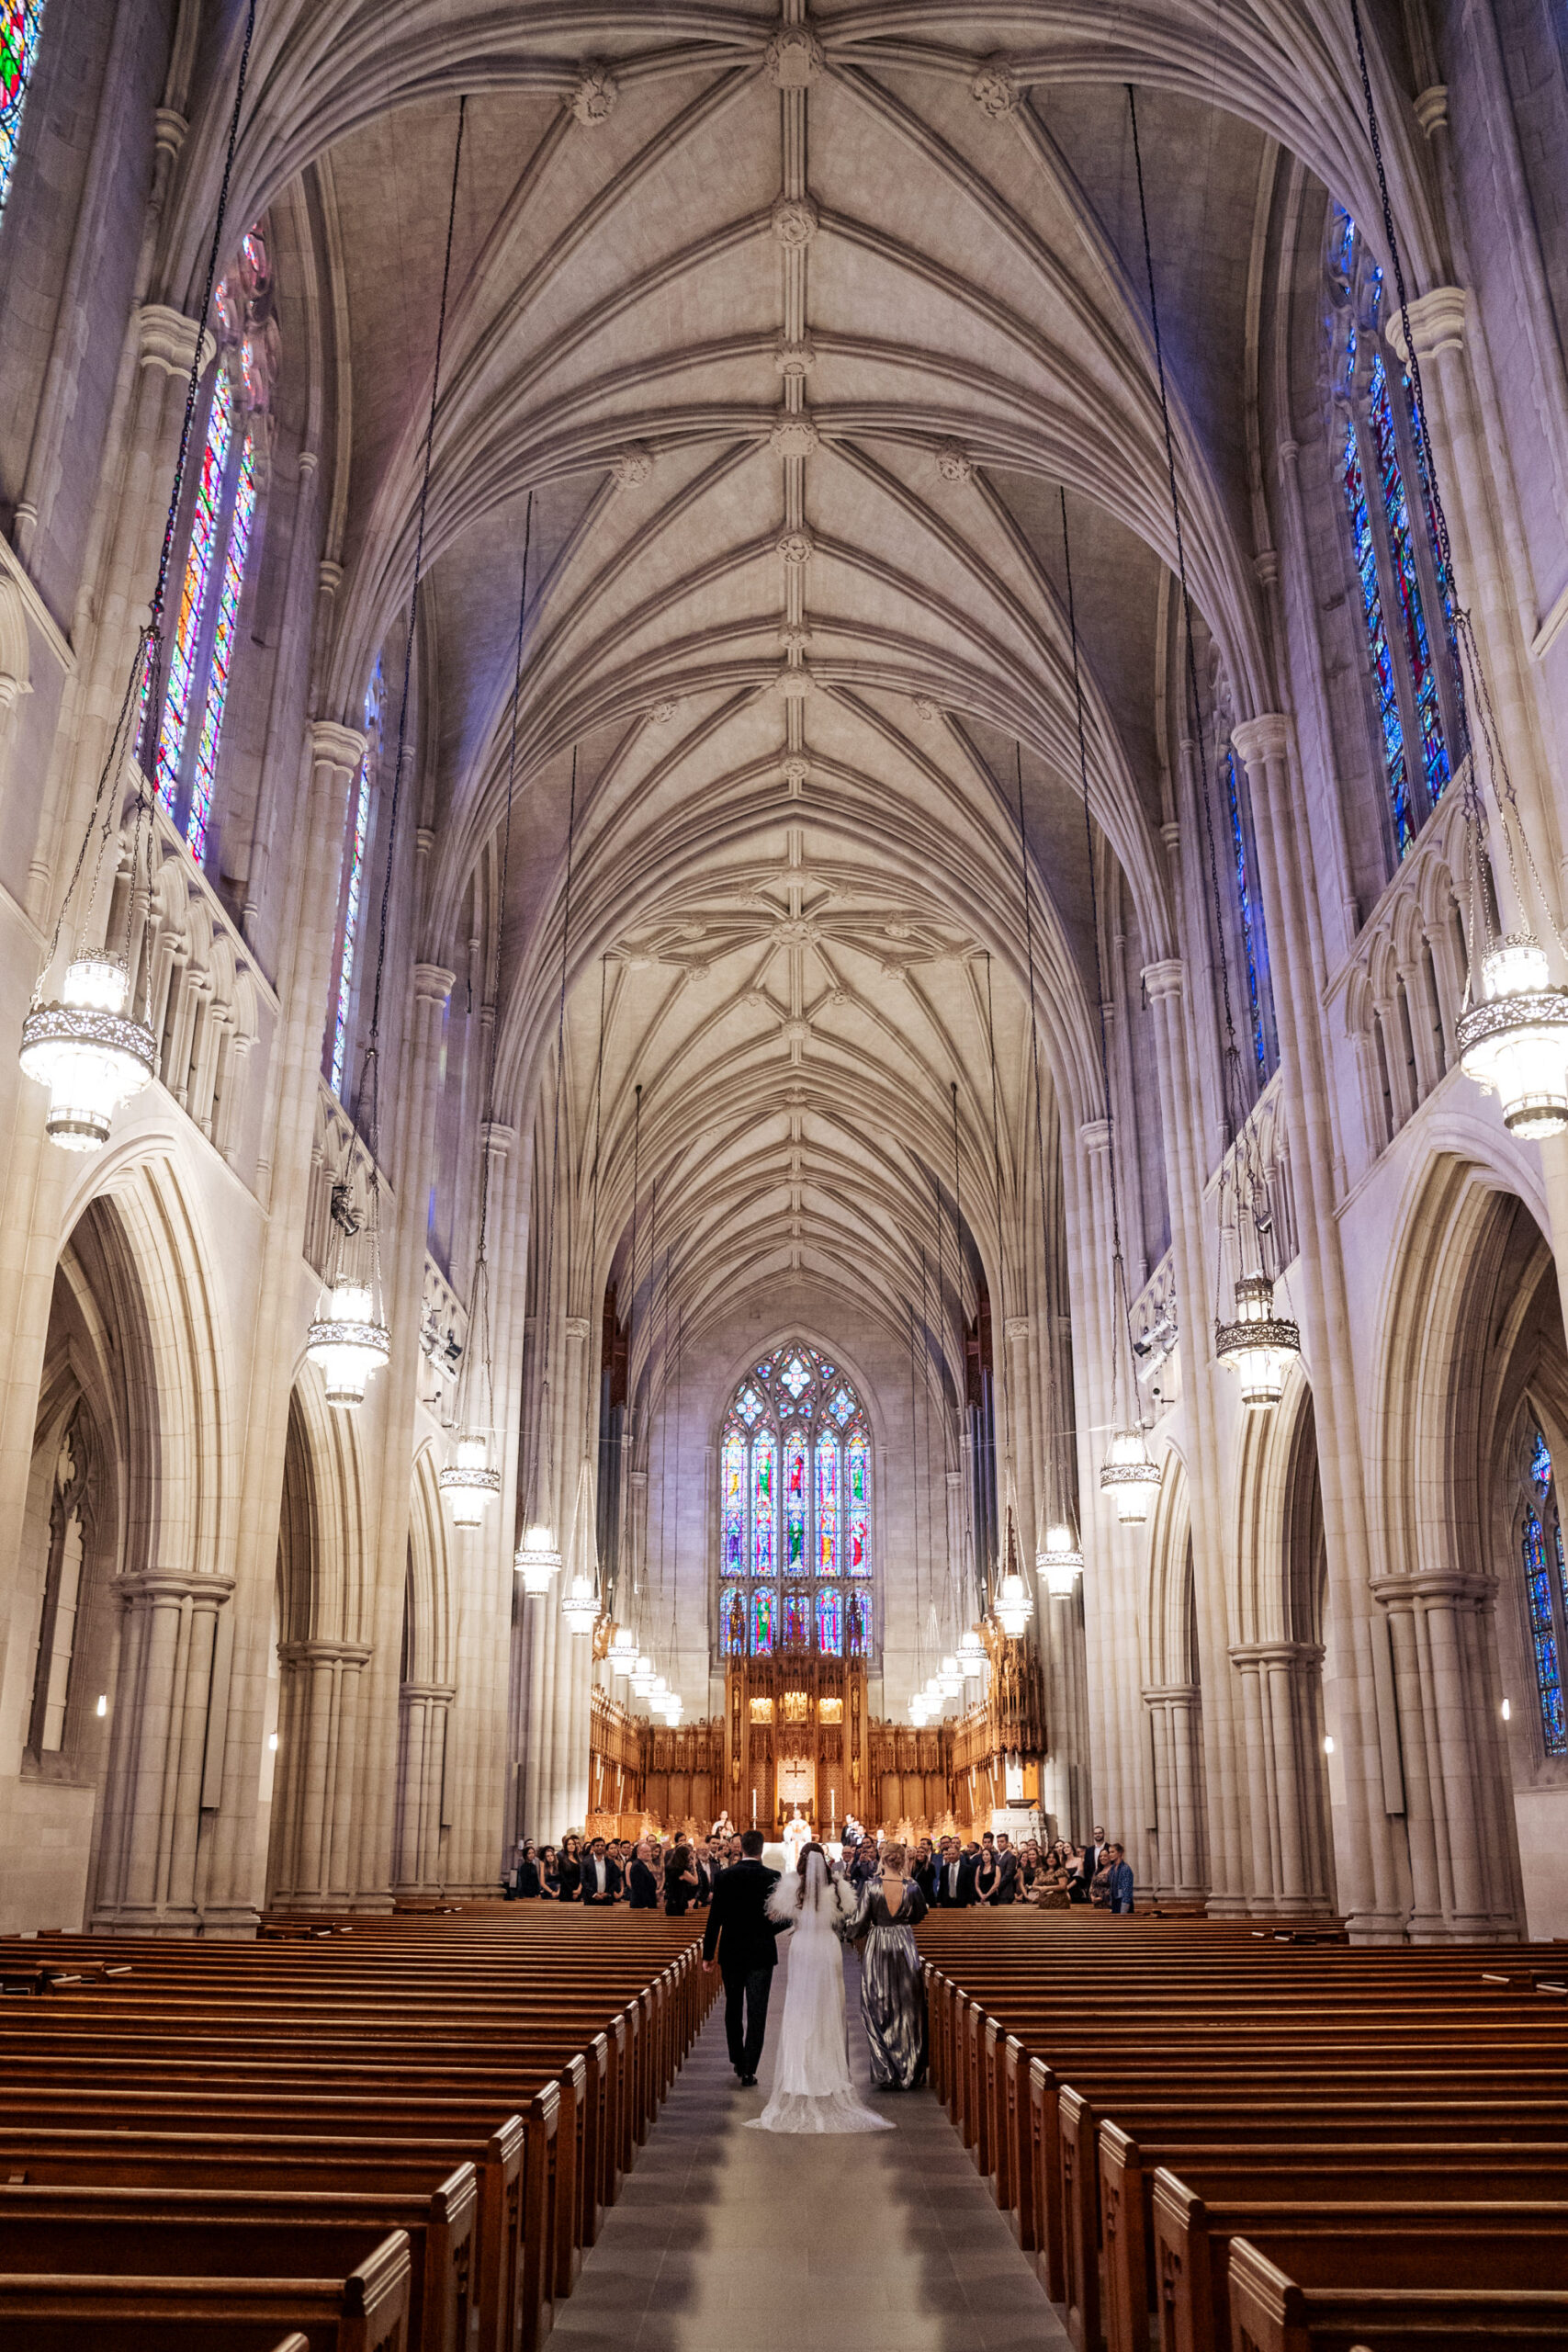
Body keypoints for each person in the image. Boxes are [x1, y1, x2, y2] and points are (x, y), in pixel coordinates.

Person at [747, 1843, 891, 2136]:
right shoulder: (837, 1885)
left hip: (803, 1947)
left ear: (801, 1860)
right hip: (827, 1947)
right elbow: (848, 1916)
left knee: (801, 2007)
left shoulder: (791, 1884)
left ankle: (801, 2073)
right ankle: (829, 2071)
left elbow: (774, 1915)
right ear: (823, 1860)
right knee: (829, 2006)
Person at [702, 1827, 793, 2085]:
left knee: (733, 2007)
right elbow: (785, 1918)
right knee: (757, 2009)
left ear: (740, 1848)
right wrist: (766, 1928)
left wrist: (708, 1953)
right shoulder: (772, 1876)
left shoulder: (725, 1876)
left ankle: (737, 2059)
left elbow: (714, 1918)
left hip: (731, 1950)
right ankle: (749, 2068)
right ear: (761, 1849)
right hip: (761, 1952)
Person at [847, 1840, 928, 2090]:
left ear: (883, 1859)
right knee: (908, 2006)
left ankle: (885, 2069)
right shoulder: (912, 1886)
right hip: (904, 1944)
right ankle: (908, 2069)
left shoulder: (871, 1887)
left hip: (879, 1943)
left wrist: (843, 1927)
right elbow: (919, 1914)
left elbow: (859, 1924)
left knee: (876, 2004)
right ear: (903, 1860)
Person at [581, 1837, 623, 1905]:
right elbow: (583, 1880)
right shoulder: (586, 1862)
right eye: (597, 1845)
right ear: (593, 1847)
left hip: (607, 1899)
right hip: (591, 1898)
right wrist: (594, 1894)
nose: (600, 1847)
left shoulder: (610, 1862)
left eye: (602, 1845)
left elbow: (615, 1880)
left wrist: (607, 1893)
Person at [935, 1838, 975, 1907]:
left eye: (953, 1854)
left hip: (962, 1902)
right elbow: (942, 1887)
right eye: (949, 1854)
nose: (950, 1856)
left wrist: (970, 1902)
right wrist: (939, 1901)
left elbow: (970, 1887)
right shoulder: (944, 1869)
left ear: (958, 1855)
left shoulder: (967, 1869)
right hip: (946, 1903)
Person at [663, 1841, 700, 1917]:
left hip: (670, 1902)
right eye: (689, 1856)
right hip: (678, 1903)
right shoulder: (682, 1872)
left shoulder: (669, 1868)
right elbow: (695, 1882)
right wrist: (694, 1866)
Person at [626, 1838, 660, 1909]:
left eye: (649, 1851)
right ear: (638, 1853)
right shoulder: (637, 1866)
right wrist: (645, 1905)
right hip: (641, 1905)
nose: (648, 1854)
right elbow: (639, 1888)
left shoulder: (642, 1864)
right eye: (645, 1852)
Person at [1106, 1842, 1135, 1914]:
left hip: (1123, 1902)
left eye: (1113, 1852)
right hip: (1115, 1901)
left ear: (1119, 1853)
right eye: (1109, 1852)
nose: (1110, 1854)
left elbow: (1127, 1890)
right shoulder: (1112, 1868)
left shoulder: (1125, 1868)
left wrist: (1124, 1911)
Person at [992, 1833, 1019, 1905]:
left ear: (1007, 1843)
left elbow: (1008, 1875)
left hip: (1005, 1892)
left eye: (1002, 1841)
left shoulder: (1011, 1857)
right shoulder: (995, 1856)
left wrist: (996, 1887)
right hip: (994, 1893)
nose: (999, 1843)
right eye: (998, 1842)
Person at [556, 1834, 583, 1903]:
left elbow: (582, 1876)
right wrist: (572, 1891)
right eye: (569, 1844)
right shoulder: (562, 1860)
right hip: (566, 1892)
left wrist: (579, 1890)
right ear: (566, 1846)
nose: (571, 1846)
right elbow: (563, 1878)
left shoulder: (579, 1860)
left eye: (573, 1844)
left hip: (578, 1891)